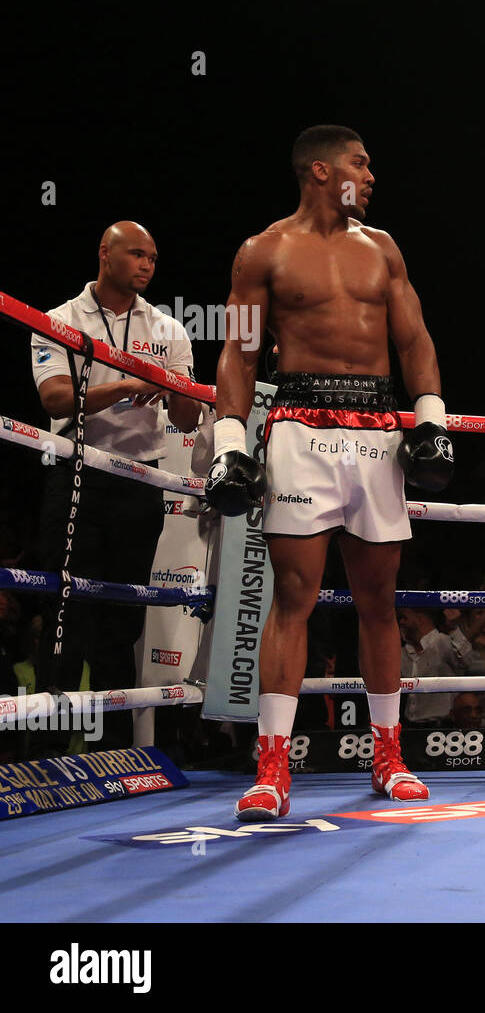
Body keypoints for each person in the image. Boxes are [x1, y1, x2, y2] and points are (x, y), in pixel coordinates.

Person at [206, 125, 454, 820]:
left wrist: (430, 418)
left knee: (380, 600)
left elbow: (414, 339)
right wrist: (232, 439)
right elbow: (242, 352)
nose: (371, 174)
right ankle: (271, 767)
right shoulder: (265, 251)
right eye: (360, 162)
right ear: (320, 170)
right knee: (294, 596)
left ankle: (388, 755)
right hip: (299, 429)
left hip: (377, 430)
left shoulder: (383, 249)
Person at [31, 222, 201, 748]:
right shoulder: (59, 319)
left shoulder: (169, 329)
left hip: (138, 482)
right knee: (66, 610)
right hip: (78, 471)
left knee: (122, 618)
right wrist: (128, 382)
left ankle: (114, 752)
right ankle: (48, 752)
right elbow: (56, 399)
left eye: (153, 256)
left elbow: (190, 417)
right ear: (105, 254)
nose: (147, 265)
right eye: (136, 254)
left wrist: (170, 385)